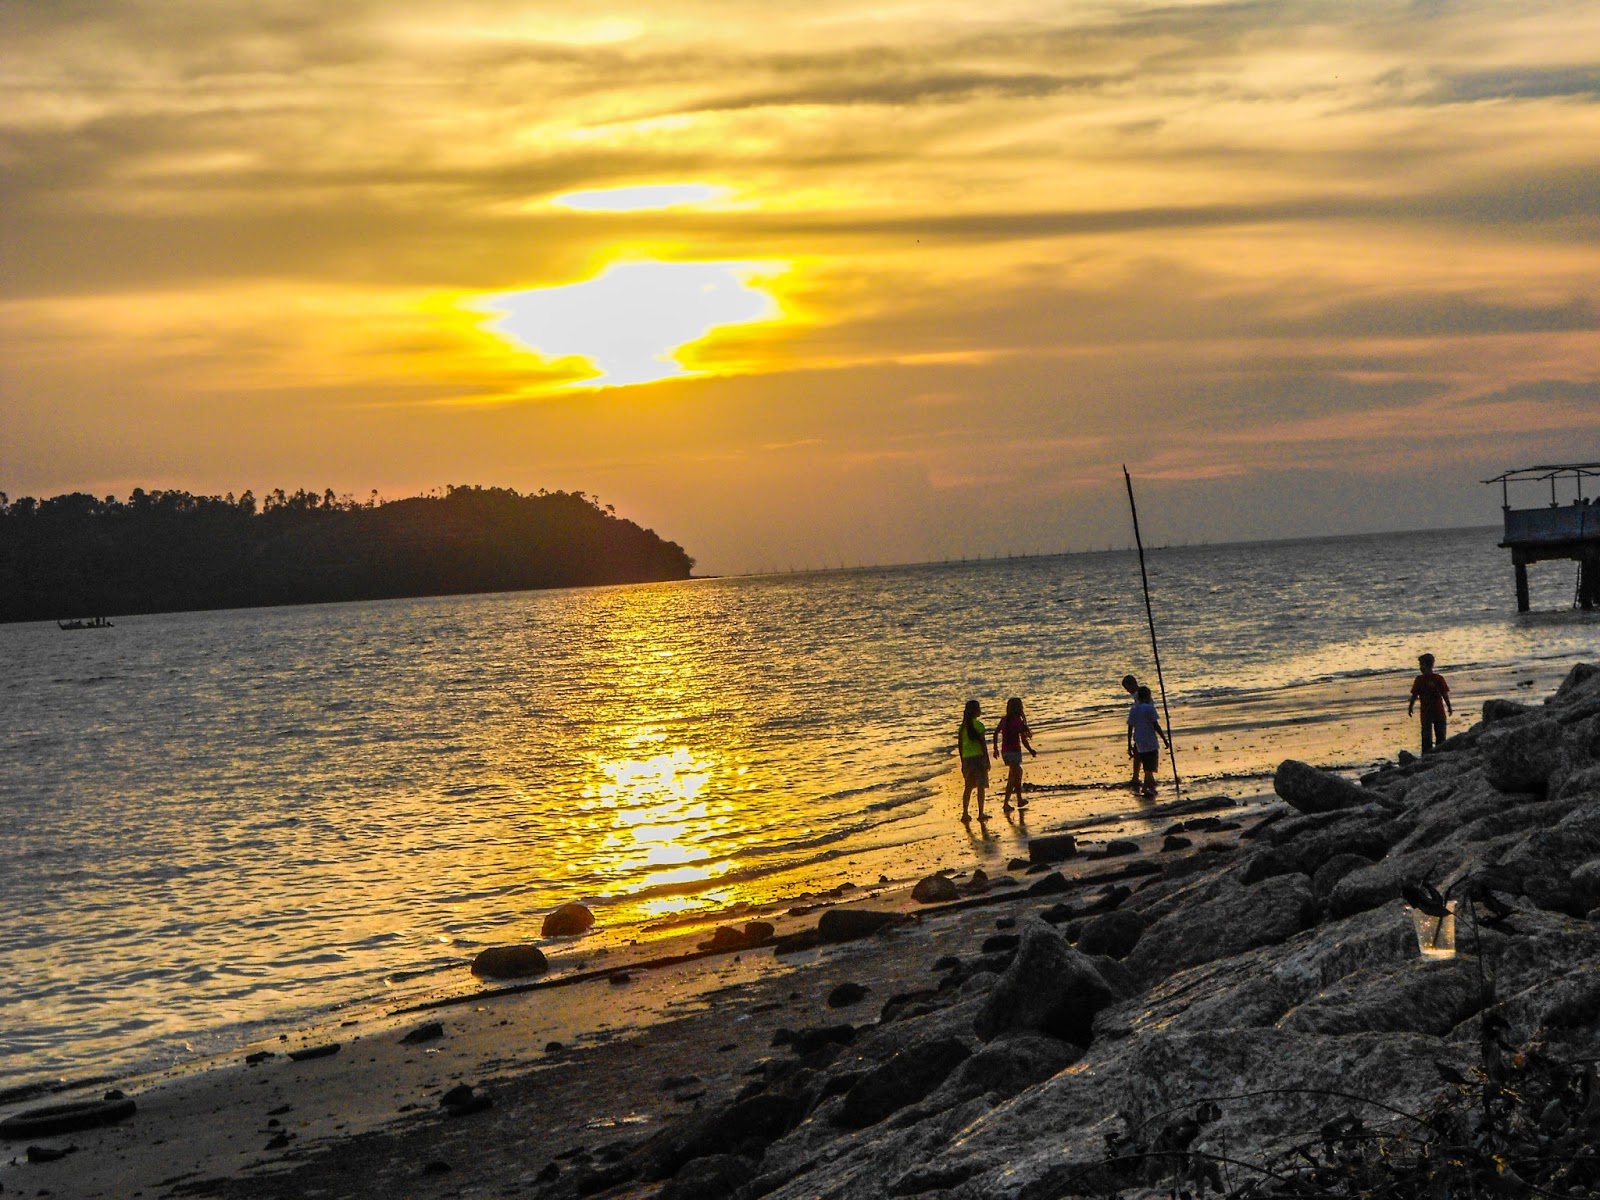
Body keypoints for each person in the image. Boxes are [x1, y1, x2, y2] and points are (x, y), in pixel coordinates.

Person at [991, 696, 1037, 812]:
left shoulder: (1004, 720)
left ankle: (1019, 799)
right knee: (1013, 778)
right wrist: (1030, 750)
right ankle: (1007, 803)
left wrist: (995, 748)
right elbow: (1023, 739)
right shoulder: (1017, 721)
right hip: (1014, 752)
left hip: (1005, 752)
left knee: (1016, 774)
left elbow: (995, 733)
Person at [1126, 685, 1170, 798]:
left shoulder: (1133, 710)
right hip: (1150, 740)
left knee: (1146, 761)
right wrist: (1164, 739)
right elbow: (1155, 725)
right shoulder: (1149, 708)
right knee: (1150, 764)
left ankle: (1149, 784)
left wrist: (1129, 744)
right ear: (1148, 697)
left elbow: (1130, 727)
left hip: (1139, 740)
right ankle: (1146, 787)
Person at [1408, 653, 1453, 755]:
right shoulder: (1419, 679)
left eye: (1422, 665)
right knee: (1427, 737)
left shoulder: (1437, 678)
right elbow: (1414, 695)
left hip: (1436, 711)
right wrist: (1410, 706)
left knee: (1440, 736)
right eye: (1420, 665)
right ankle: (1428, 754)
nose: (1420, 667)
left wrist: (1449, 706)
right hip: (1427, 712)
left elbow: (1444, 694)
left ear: (1429, 665)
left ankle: (1438, 754)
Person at [956, 699, 990, 822]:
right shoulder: (979, 725)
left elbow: (960, 746)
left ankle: (965, 813)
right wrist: (987, 759)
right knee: (981, 786)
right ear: (975, 711)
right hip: (978, 757)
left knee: (968, 787)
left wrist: (962, 761)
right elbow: (982, 744)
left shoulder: (962, 727)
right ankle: (980, 813)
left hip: (967, 759)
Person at [1121, 674, 1142, 788]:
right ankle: (1137, 776)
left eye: (1127, 688)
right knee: (1140, 753)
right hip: (1142, 728)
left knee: (1139, 753)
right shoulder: (1140, 695)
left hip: (1141, 729)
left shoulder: (1139, 697)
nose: (1127, 691)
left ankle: (1136, 777)